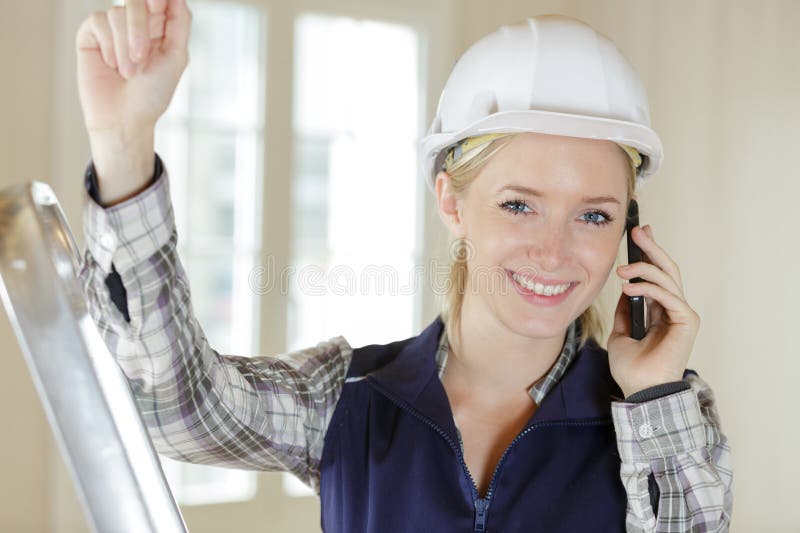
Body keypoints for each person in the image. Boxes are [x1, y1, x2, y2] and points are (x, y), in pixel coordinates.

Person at [75, 2, 733, 531]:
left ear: (629, 232)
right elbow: (174, 410)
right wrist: (124, 146)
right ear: (451, 199)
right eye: (519, 204)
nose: (556, 253)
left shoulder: (662, 416)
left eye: (594, 215)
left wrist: (648, 395)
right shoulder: (347, 398)